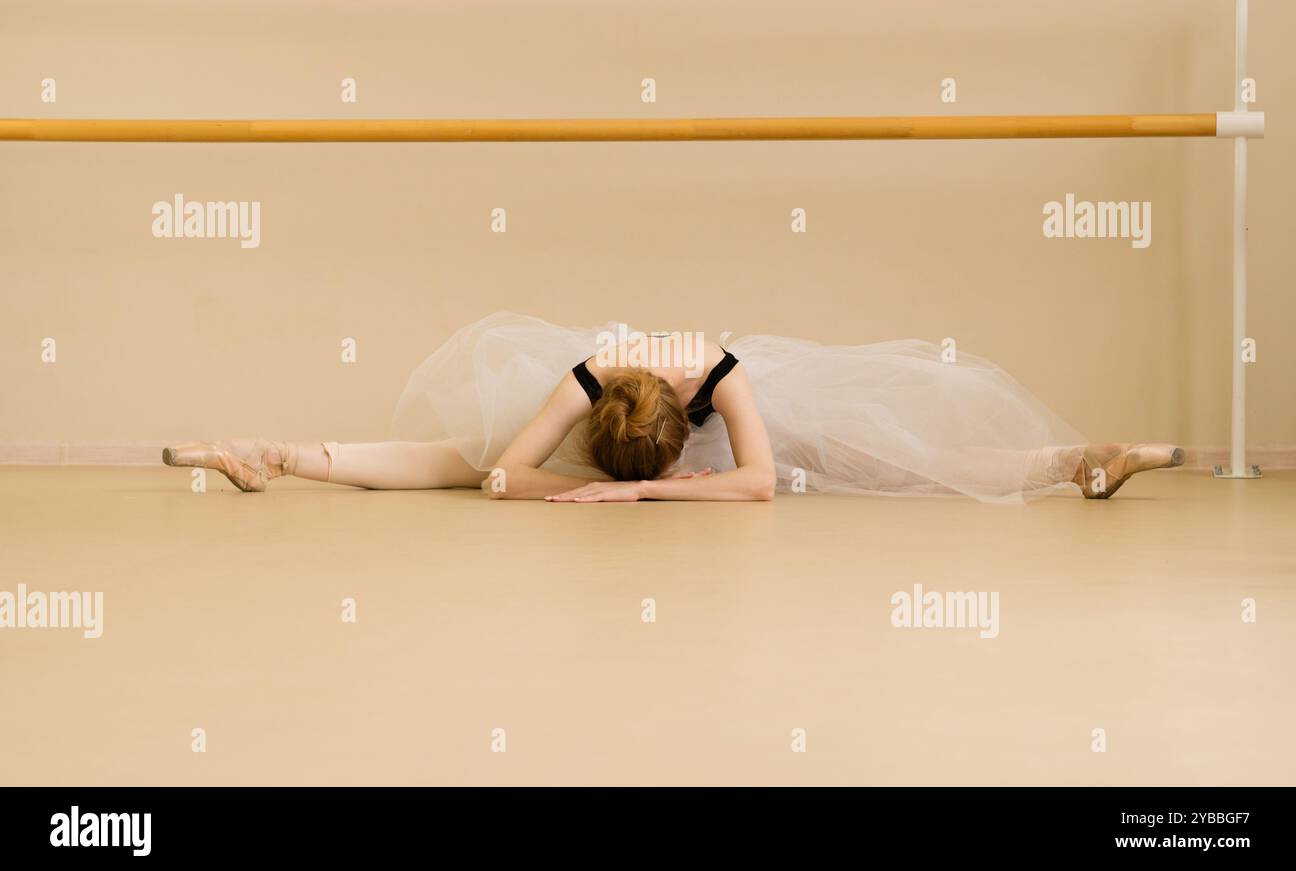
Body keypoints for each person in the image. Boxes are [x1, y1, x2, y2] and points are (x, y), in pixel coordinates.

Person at [163, 312, 1182, 503]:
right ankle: (278, 453)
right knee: (458, 458)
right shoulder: (583, 378)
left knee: (909, 462)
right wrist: (590, 481)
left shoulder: (717, 373)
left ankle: (1075, 460)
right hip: (621, 418)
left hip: (794, 411)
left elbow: (763, 480)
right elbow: (501, 472)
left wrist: (643, 501)